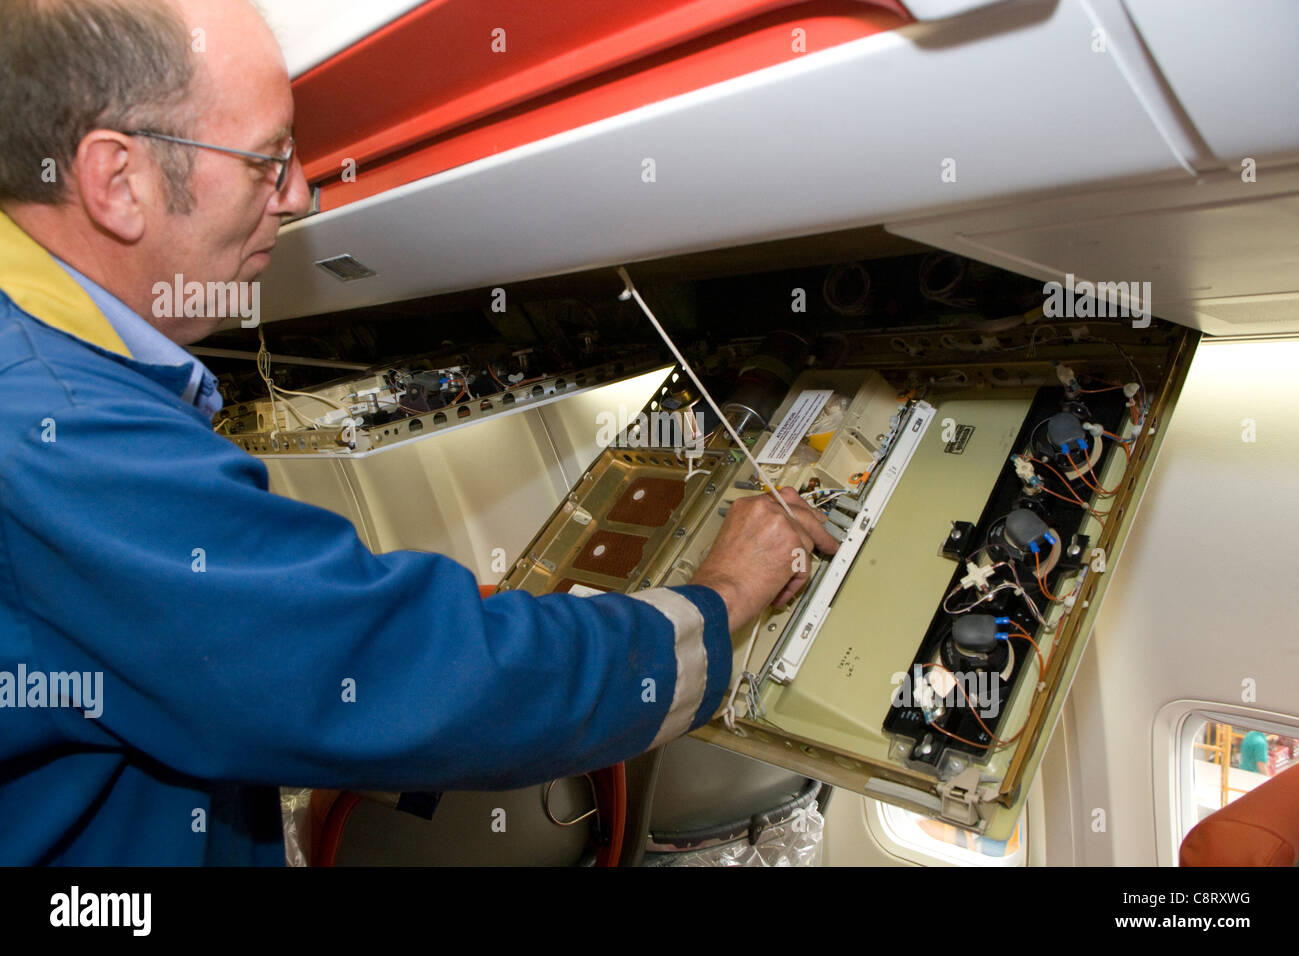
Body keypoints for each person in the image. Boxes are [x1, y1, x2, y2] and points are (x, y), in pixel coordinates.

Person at [0, 0, 837, 864]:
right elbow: (409, 675)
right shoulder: (61, 437)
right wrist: (724, 598)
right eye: (267, 161)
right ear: (116, 181)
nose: (298, 195)